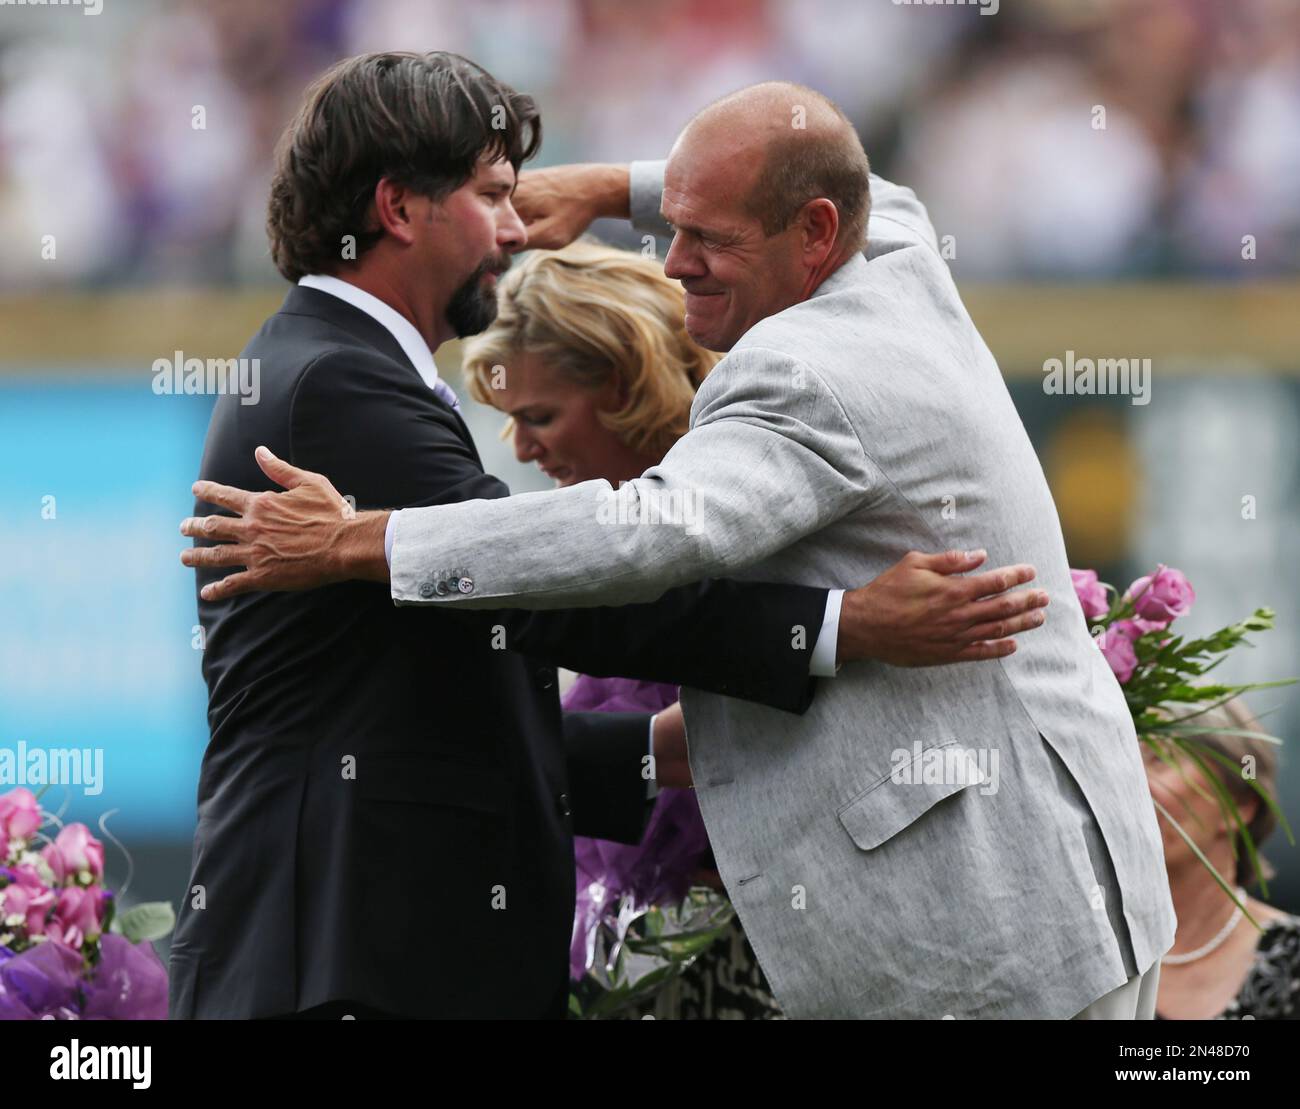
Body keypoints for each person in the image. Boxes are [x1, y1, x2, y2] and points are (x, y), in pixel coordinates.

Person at [178, 79, 1115, 1019]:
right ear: (395, 208)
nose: (517, 228)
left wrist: (611, 186)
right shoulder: (340, 378)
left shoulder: (333, 363)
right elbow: (568, 589)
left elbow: (454, 692)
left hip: (349, 951)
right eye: (495, 193)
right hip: (340, 959)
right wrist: (843, 625)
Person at [461, 240, 780, 1017]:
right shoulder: (617, 537)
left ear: (621, 383)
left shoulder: (749, 500)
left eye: (539, 416)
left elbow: (736, 741)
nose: (523, 448)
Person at [1145, 699, 1299, 1020]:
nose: (1128, 784)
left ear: (1239, 803)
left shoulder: (1292, 960)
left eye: (1157, 759)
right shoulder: (1082, 958)